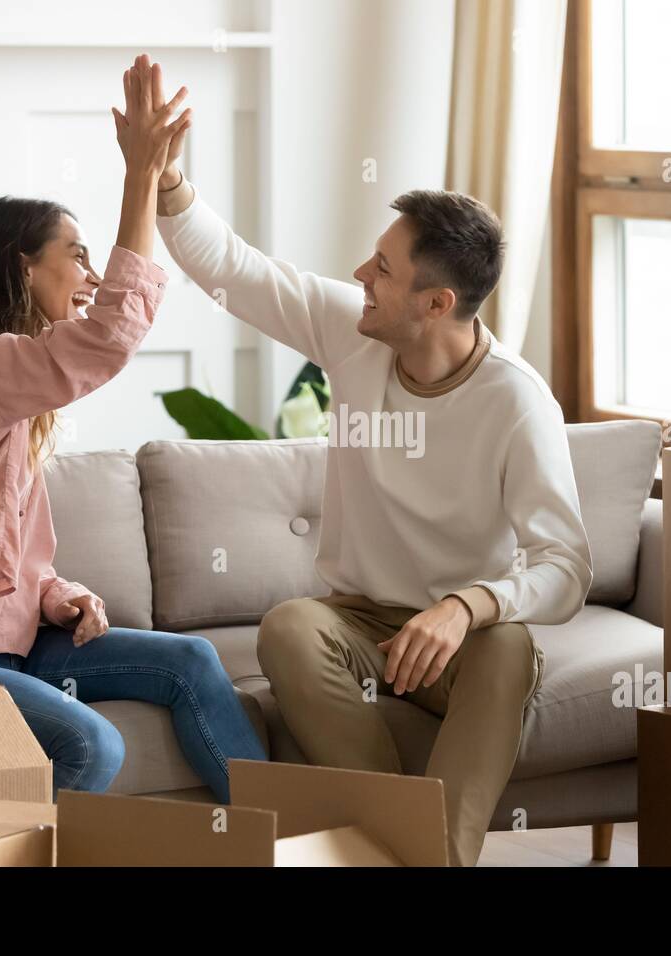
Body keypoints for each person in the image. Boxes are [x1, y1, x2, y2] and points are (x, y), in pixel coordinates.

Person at [152, 124, 593, 865]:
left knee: (508, 652)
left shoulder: (517, 404)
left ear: (434, 303)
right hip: (357, 622)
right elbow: (234, 268)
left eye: (383, 269)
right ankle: (406, 848)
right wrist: (167, 180)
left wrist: (465, 607)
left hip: (463, 638)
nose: (361, 272)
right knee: (290, 626)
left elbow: (566, 565)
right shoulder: (352, 331)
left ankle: (418, 856)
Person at [0, 56, 265, 804]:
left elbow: (7, 560)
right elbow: (109, 338)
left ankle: (283, 838)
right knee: (88, 740)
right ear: (19, 269)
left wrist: (60, 595)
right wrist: (142, 176)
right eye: (75, 255)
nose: (93, 275)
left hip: (9, 645)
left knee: (192, 661)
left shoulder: (5, 395)